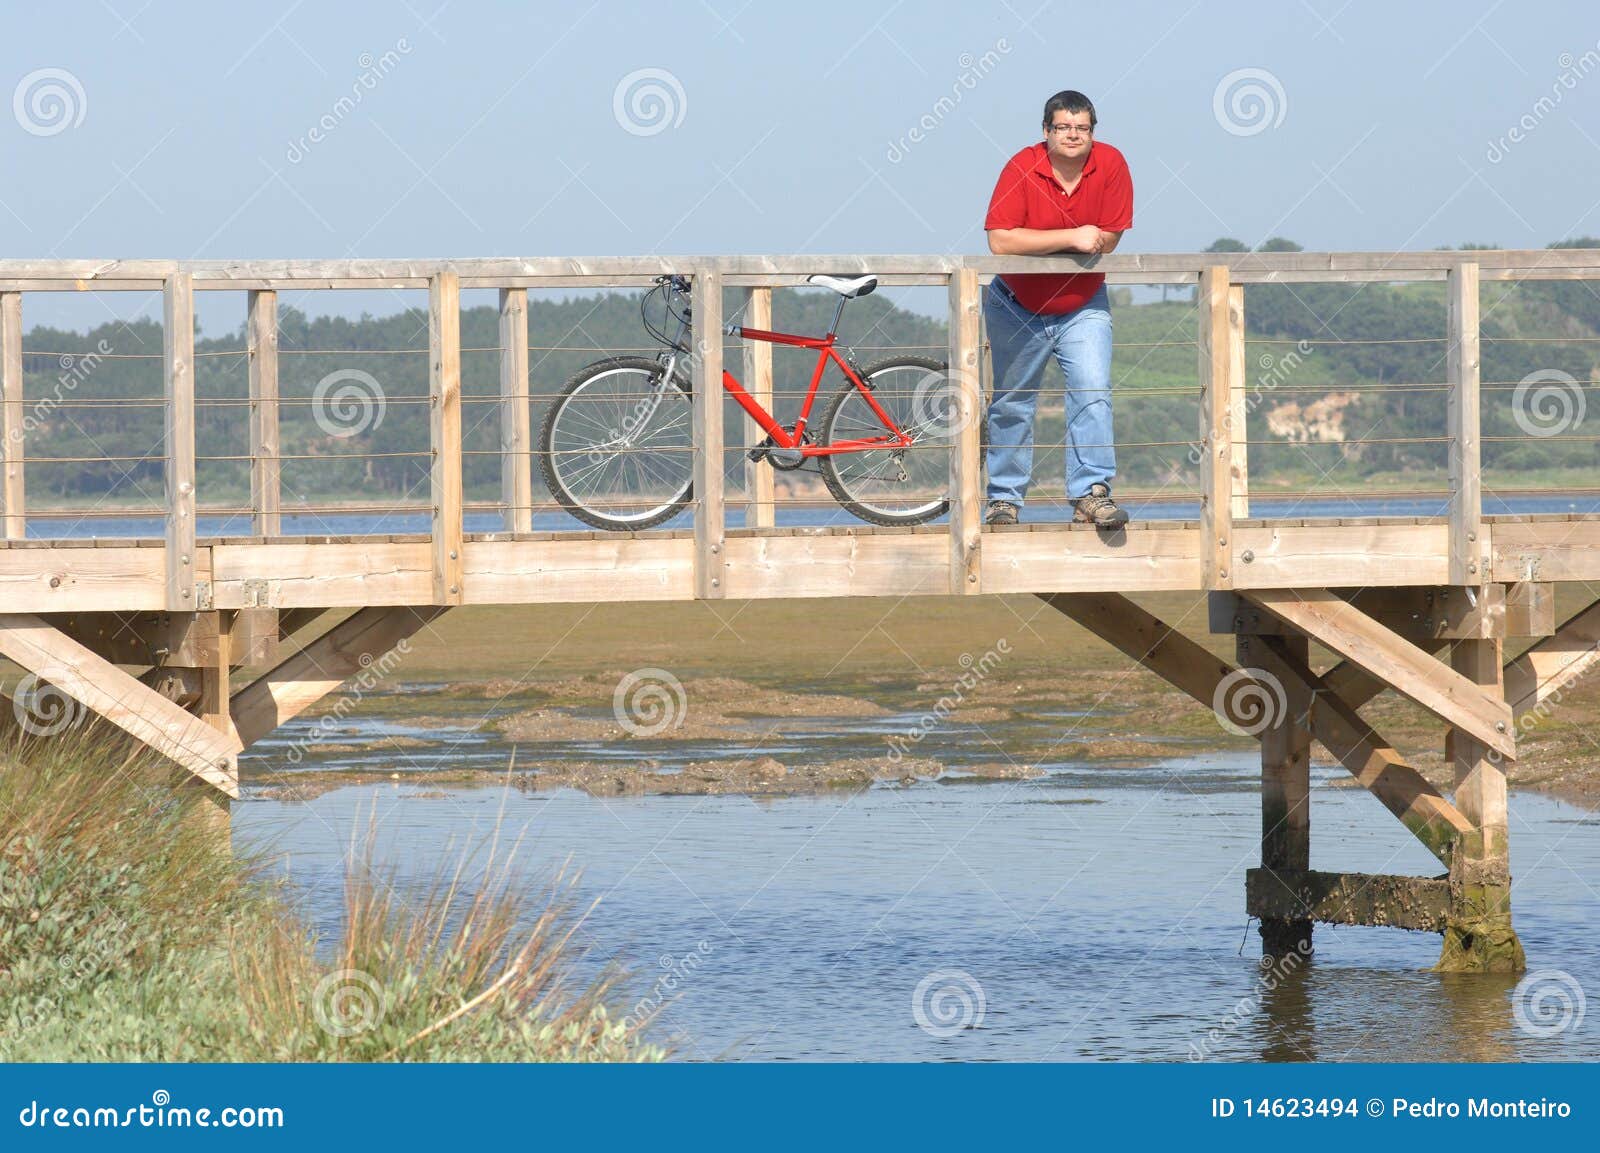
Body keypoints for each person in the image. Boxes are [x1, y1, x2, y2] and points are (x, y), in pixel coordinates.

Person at [982, 89, 1133, 528]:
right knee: (1012, 403)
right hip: (1016, 304)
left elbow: (1109, 236)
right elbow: (999, 240)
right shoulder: (1021, 166)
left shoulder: (1112, 165)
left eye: (1081, 128)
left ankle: (1092, 493)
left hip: (1082, 303)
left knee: (1092, 390)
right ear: (1046, 131)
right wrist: (1072, 236)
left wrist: (1076, 238)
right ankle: (1004, 500)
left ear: (1092, 132)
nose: (1072, 135)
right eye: (1063, 127)